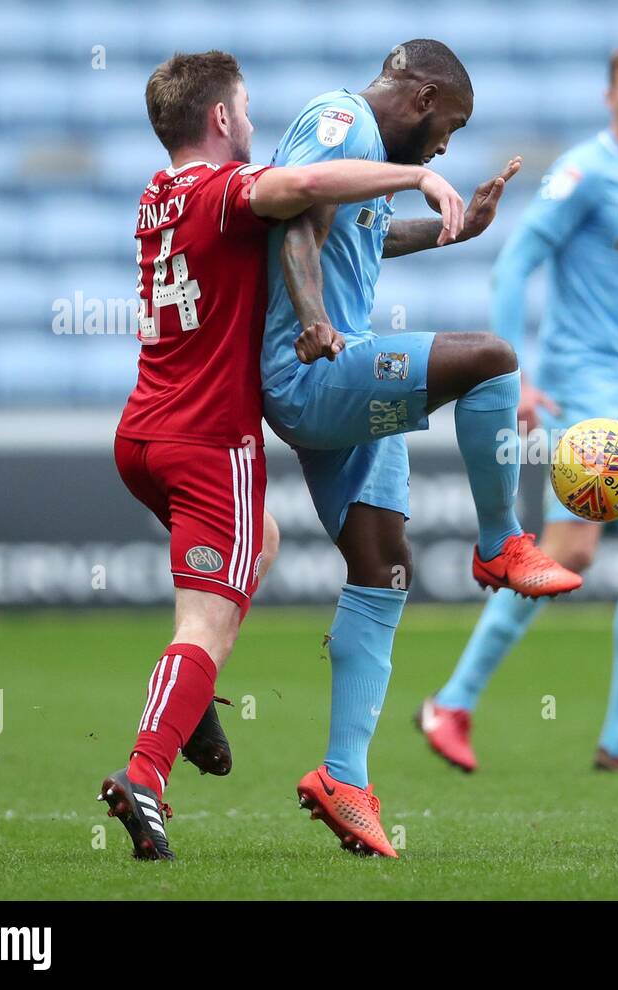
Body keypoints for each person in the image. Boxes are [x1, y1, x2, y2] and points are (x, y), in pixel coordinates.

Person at [99, 49, 471, 860]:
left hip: (141, 434)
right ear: (222, 119)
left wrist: (428, 228)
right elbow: (300, 188)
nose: (259, 127)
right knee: (207, 621)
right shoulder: (228, 191)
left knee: (257, 546)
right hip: (208, 441)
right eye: (249, 112)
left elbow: (327, 226)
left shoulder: (156, 198)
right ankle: (146, 775)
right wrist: (415, 179)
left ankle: (187, 702)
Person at [264, 39, 583, 858]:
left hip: (330, 363)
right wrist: (309, 318)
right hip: (313, 367)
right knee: (492, 358)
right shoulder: (342, 124)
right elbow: (300, 223)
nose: (447, 145)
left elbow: (355, 236)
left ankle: (345, 778)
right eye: (451, 125)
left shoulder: (368, 153)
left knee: (383, 564)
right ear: (421, 97)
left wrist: (451, 233)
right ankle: (497, 543)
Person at [419, 41, 618, 774]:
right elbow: (516, 260)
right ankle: (450, 704)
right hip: (582, 388)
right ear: (612, 97)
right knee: (573, 547)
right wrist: (513, 372)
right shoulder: (584, 172)